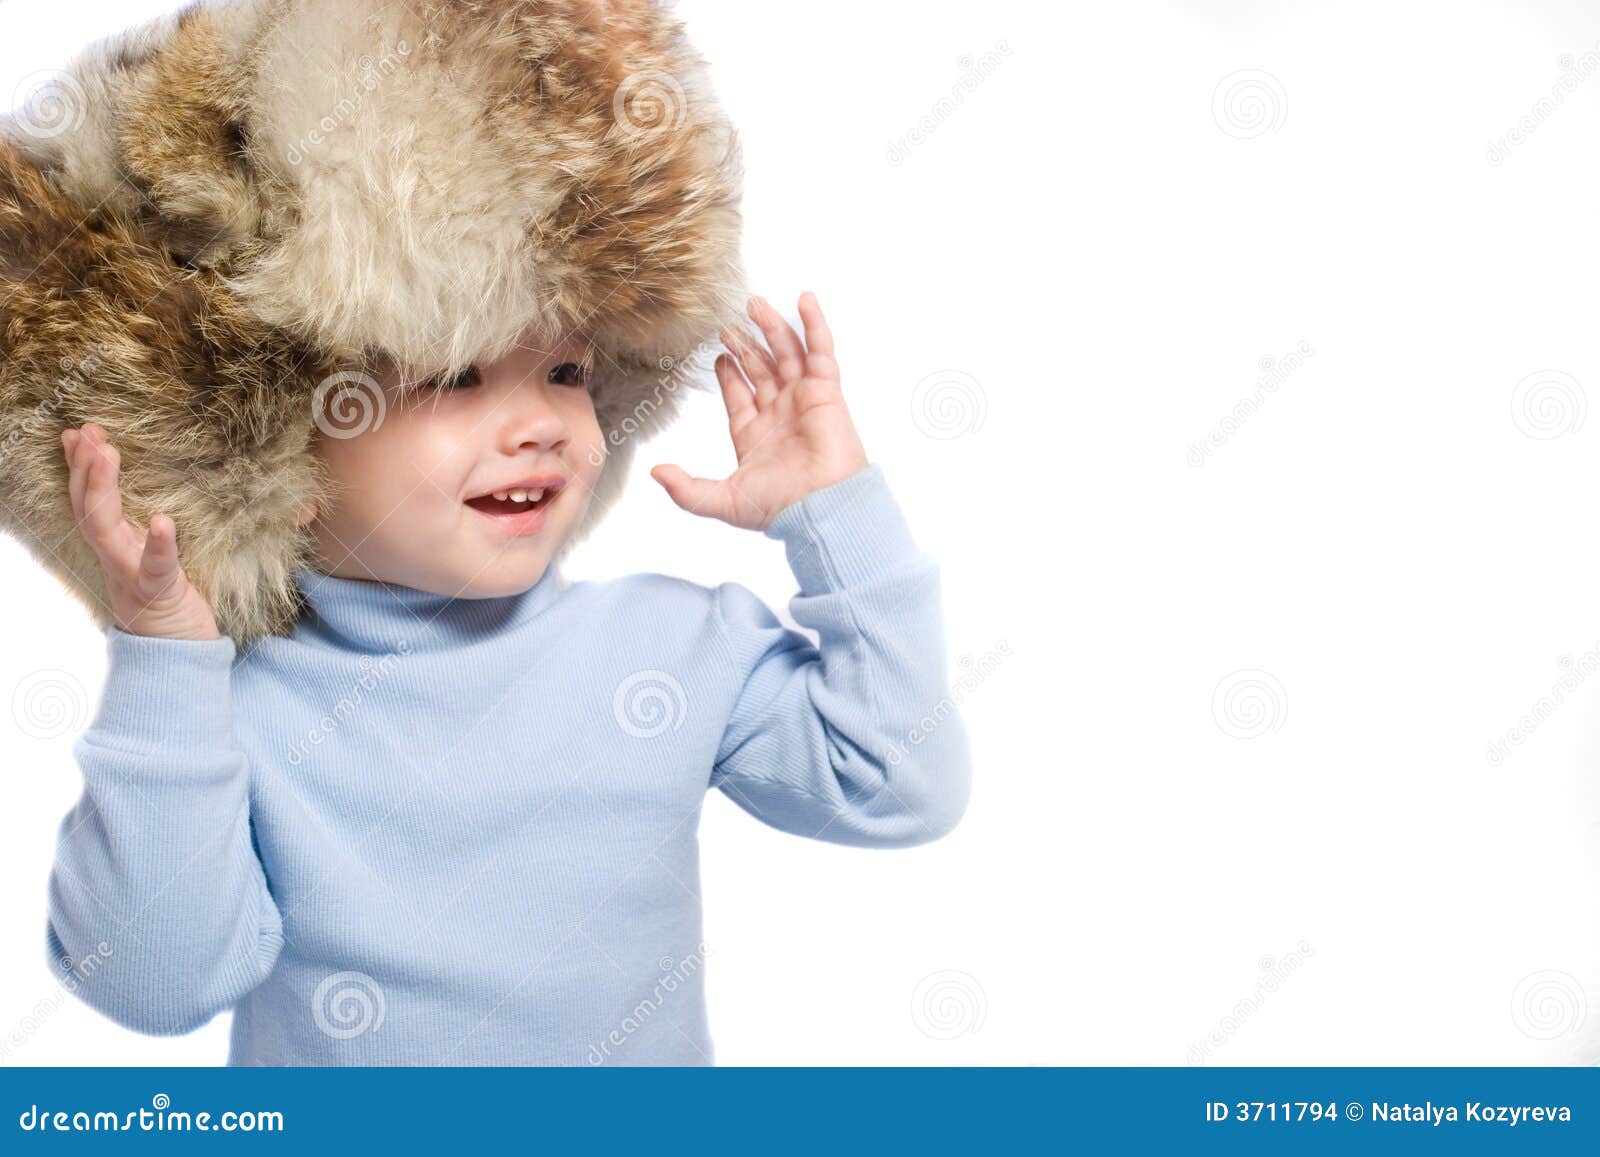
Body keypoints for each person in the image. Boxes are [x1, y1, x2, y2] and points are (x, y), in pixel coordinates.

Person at [46, 291, 972, 1065]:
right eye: (457, 377)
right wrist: (166, 661)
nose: (541, 424)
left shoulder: (672, 647)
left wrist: (834, 513)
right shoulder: (228, 708)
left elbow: (895, 785)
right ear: (284, 443)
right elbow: (153, 985)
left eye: (567, 373)